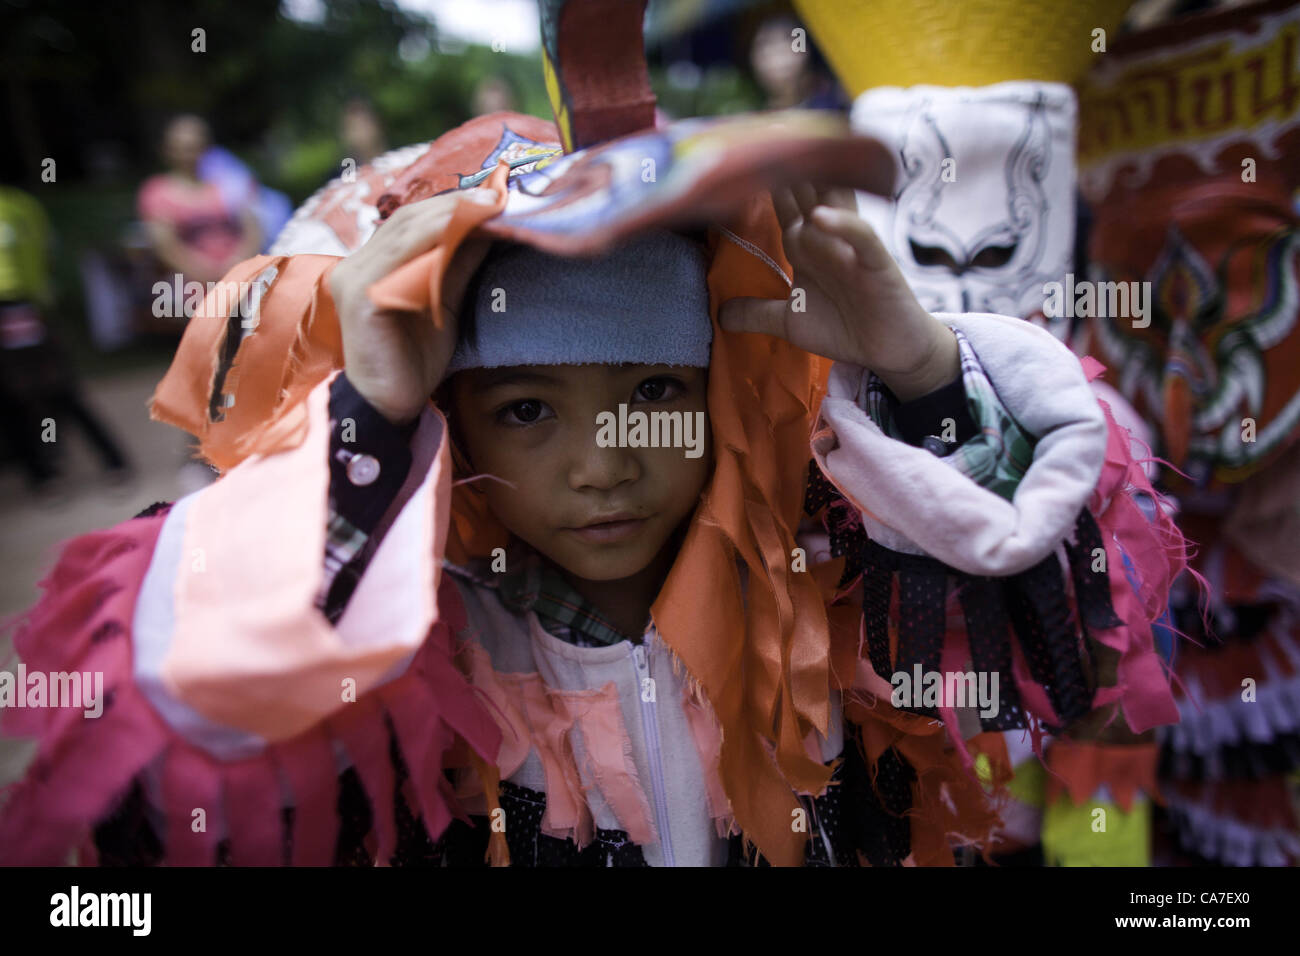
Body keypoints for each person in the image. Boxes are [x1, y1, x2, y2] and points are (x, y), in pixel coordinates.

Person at [0, 0, 1181, 867]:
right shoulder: (414, 659)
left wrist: (919, 367)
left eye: (656, 392)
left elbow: (1076, 622)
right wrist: (366, 419)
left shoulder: (834, 593)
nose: (601, 459)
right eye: (524, 409)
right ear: (450, 427)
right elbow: (157, 776)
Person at [0, 184, 132, 498]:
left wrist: (36, 301)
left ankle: (113, 461)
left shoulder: (18, 206)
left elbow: (39, 255)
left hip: (22, 307)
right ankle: (43, 474)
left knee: (58, 389)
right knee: (10, 398)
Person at [137, 115, 262, 293]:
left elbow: (253, 228)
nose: (190, 154)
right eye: (182, 148)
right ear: (166, 151)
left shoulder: (228, 183)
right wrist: (204, 272)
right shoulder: (157, 191)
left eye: (196, 147)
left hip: (241, 278)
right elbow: (165, 245)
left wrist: (239, 262)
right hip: (190, 288)